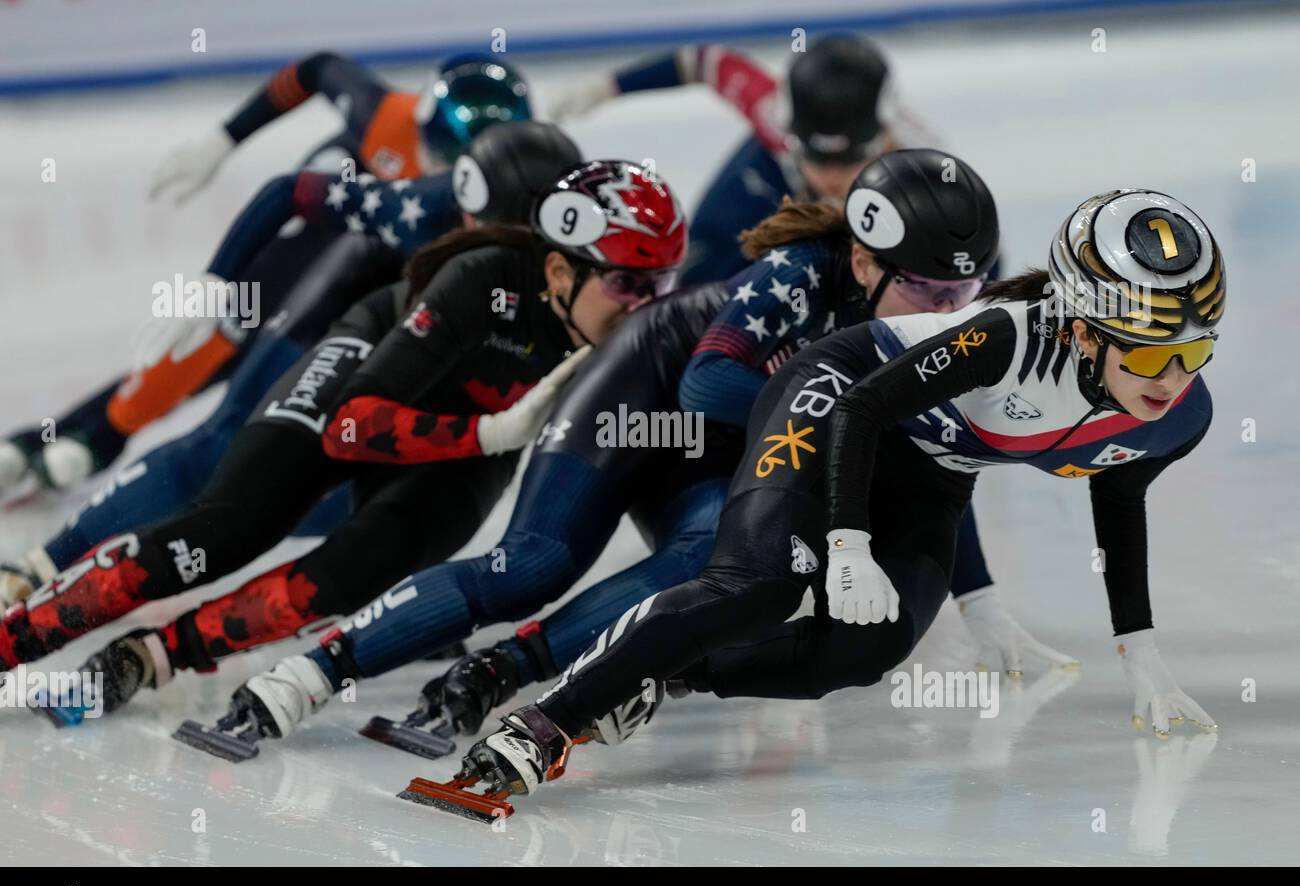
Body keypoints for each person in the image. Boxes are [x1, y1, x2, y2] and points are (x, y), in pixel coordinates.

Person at [176, 151, 1053, 756]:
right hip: (645, 393)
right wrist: (846, 425)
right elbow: (708, 385)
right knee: (535, 563)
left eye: (966, 290)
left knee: (706, 558)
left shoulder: (932, 325)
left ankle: (499, 671)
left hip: (718, 444)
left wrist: (978, 601)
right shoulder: (799, 274)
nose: (948, 311)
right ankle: (313, 671)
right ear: (862, 262)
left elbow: (942, 457)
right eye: (927, 289)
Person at [450, 186, 1224, 804]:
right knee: (756, 586)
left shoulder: (1181, 415)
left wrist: (1142, 658)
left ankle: (664, 674)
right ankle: (543, 722)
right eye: (1149, 355)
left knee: (862, 651)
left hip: (928, 467)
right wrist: (848, 547)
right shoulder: (1006, 340)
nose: (1172, 380)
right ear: (1084, 332)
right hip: (836, 398)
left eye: (1194, 351)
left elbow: (1119, 501)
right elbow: (862, 408)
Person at [0, 160, 686, 712]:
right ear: (561, 271)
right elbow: (350, 427)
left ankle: (157, 656)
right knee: (226, 530)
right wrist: (489, 432)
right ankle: (12, 639)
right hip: (373, 380)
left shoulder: (638, 332)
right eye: (630, 285)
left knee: (359, 570)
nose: (648, 305)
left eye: (662, 283)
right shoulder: (481, 280)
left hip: (465, 441)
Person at [0, 119, 564, 610]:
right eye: (496, 239)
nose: (508, 260)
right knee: (221, 450)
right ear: (463, 211)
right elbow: (290, 189)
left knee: (378, 489)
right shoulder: (416, 210)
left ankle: (373, 592)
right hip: (339, 318)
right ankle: (48, 563)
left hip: (435, 343)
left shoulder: (564, 253)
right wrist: (217, 279)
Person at [0, 55, 530, 501]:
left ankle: (89, 443)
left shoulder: (510, 177)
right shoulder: (383, 116)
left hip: (366, 279)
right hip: (304, 250)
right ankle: (87, 438)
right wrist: (223, 138)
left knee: (262, 380)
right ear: (421, 126)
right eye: (442, 154)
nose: (447, 178)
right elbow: (316, 69)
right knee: (210, 348)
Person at [548, 34, 935, 284]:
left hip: (871, 195)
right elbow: (703, 61)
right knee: (704, 262)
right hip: (774, 175)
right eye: (817, 158)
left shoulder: (919, 159)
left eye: (849, 161)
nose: (831, 177)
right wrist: (607, 87)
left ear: (886, 138)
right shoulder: (771, 113)